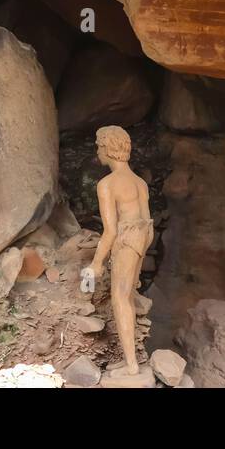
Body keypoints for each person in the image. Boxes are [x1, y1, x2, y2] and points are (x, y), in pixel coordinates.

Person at [84, 126, 152, 375]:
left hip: (125, 241)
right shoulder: (140, 182)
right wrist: (140, 253)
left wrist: (96, 262)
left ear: (108, 148)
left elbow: (110, 231)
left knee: (120, 299)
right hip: (140, 240)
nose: (97, 151)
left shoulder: (107, 184)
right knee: (128, 298)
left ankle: (132, 365)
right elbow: (149, 225)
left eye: (99, 146)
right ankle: (129, 359)